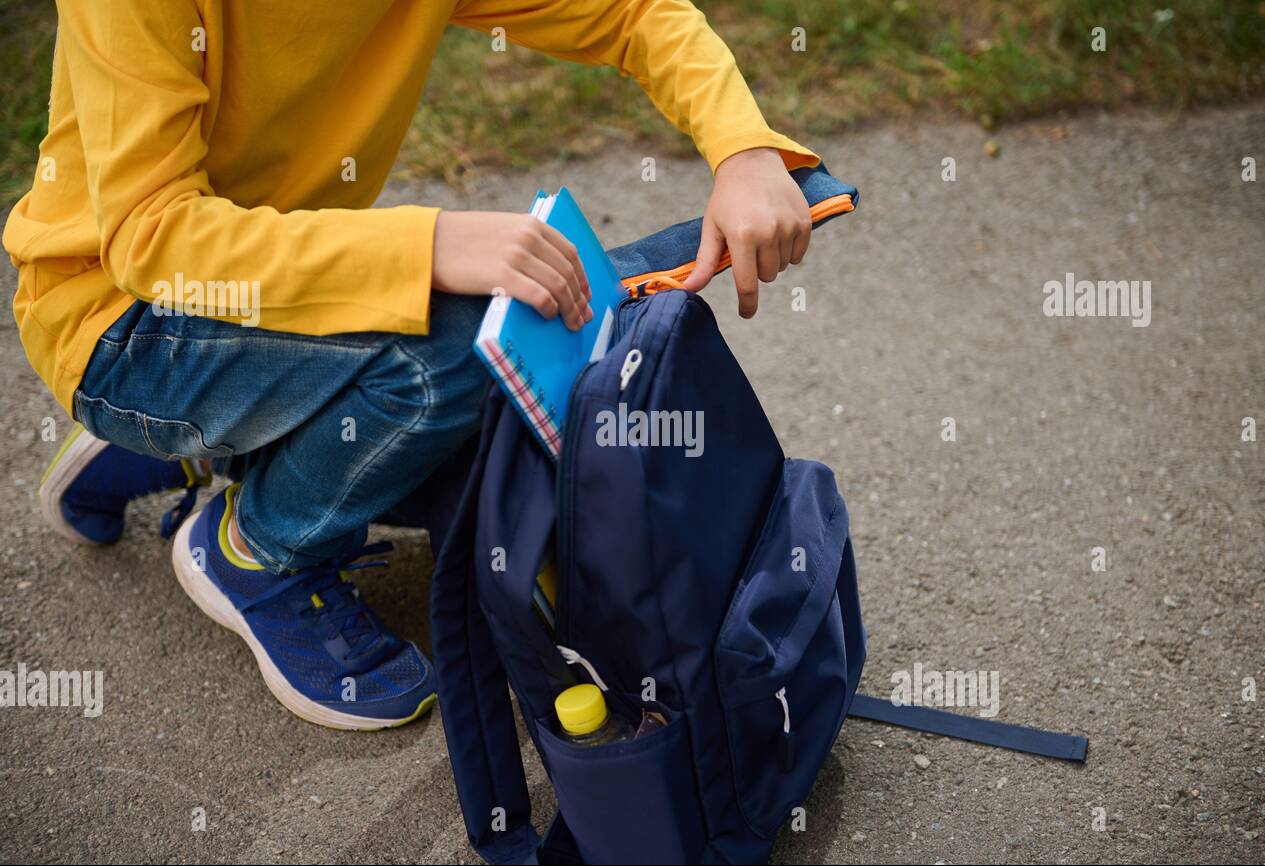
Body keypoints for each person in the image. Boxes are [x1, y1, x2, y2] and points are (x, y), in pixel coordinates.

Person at [6, 1, 819, 730]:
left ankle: (214, 432)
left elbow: (630, 13)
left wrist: (742, 148)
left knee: (479, 397)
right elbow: (152, 234)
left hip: (274, 302)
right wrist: (428, 245)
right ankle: (255, 548)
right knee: (463, 348)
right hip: (119, 320)